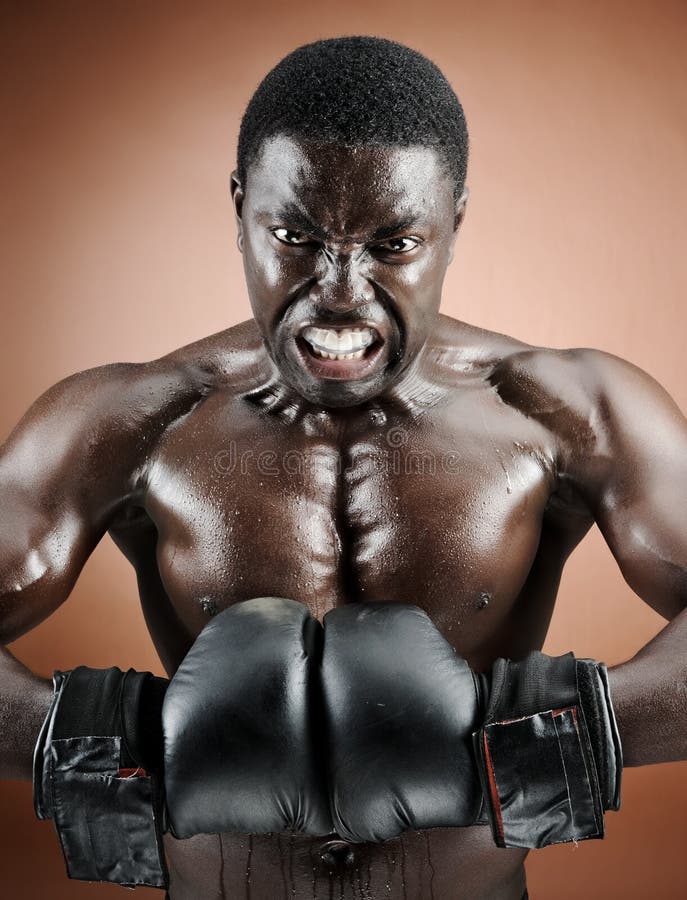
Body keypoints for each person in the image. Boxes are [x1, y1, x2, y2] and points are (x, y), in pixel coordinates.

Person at [1, 35, 686, 900]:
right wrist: (120, 741)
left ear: (453, 225)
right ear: (240, 207)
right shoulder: (126, 419)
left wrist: (541, 736)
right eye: (293, 235)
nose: (340, 291)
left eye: (395, 244)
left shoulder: (568, 406)